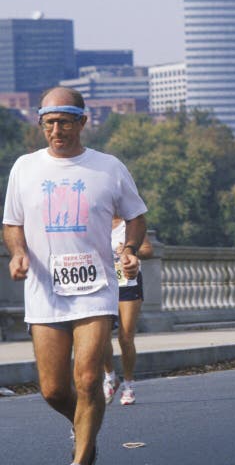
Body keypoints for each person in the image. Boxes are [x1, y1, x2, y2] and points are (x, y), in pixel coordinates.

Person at [2, 87, 147, 465]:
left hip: (95, 289)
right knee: (52, 390)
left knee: (86, 379)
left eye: (65, 122)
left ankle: (81, 458)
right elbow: (12, 223)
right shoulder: (25, 167)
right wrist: (17, 252)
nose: (57, 130)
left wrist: (129, 250)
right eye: (49, 123)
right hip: (45, 291)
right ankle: (84, 426)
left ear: (82, 122)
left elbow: (136, 216)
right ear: (40, 124)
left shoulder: (109, 168)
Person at [102, 216, 153, 405]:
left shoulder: (129, 224)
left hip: (128, 284)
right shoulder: (97, 219)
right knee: (100, 337)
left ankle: (129, 385)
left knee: (125, 337)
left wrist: (130, 251)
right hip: (103, 284)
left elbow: (148, 249)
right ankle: (110, 378)